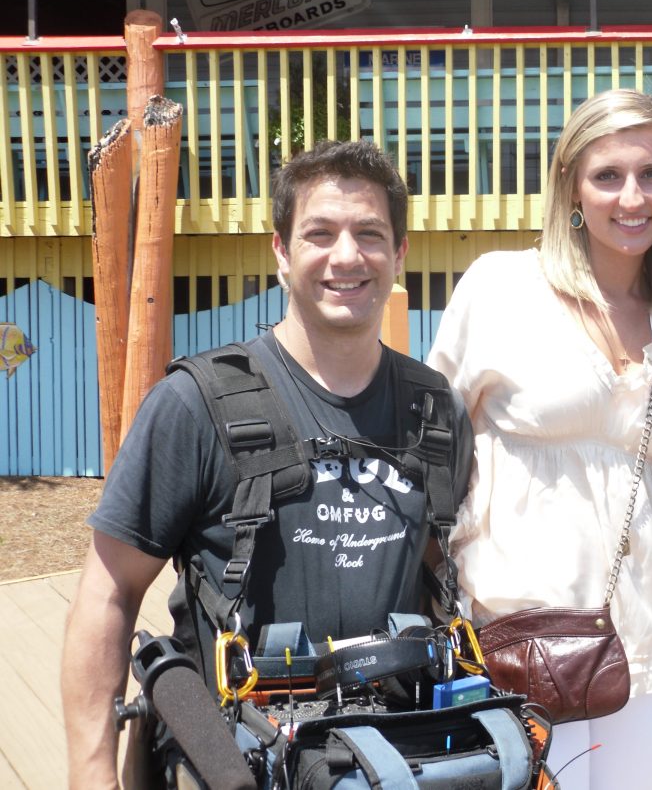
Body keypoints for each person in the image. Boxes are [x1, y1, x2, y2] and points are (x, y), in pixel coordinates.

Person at [61, 139, 473, 789]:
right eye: (320, 233)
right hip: (236, 761)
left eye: (370, 233)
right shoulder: (196, 405)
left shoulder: (436, 412)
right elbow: (107, 592)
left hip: (395, 760)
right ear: (281, 252)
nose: (347, 255)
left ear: (399, 255)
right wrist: (91, 775)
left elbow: (438, 576)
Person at [426, 88, 652, 790]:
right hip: (512, 637)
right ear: (572, 189)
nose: (632, 196)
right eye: (607, 175)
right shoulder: (500, 287)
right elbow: (434, 456)